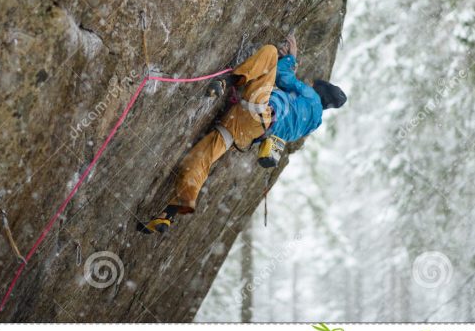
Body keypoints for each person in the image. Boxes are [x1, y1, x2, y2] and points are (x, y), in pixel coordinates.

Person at [138, 35, 346, 234]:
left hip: (260, 109)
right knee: (201, 159)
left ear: (318, 90)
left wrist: (290, 57)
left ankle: (227, 81)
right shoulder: (311, 125)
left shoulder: (312, 98)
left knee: (270, 53)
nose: (308, 83)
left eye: (311, 83)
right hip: (247, 131)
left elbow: (283, 76)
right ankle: (169, 213)